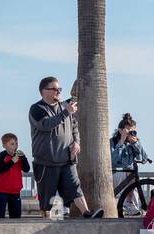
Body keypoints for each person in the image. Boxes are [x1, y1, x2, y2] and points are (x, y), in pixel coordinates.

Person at [29, 76, 103, 219]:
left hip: (67, 160)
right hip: (46, 162)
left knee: (75, 189)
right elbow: (46, 125)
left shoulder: (65, 107)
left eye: (59, 89)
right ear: (44, 91)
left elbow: (74, 128)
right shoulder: (37, 109)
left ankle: (87, 213)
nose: (58, 92)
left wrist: (77, 143)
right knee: (47, 199)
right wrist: (65, 113)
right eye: (54, 89)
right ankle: (46, 221)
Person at [110, 114, 149, 197]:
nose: (131, 134)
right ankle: (128, 204)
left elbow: (143, 159)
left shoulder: (135, 142)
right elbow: (112, 161)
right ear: (120, 130)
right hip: (115, 174)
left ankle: (132, 206)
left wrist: (135, 144)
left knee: (132, 175)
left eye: (133, 131)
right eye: (128, 131)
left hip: (130, 174)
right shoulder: (112, 142)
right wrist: (121, 141)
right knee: (131, 175)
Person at [0, 133, 30, 218]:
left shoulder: (19, 156)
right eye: (12, 144)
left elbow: (26, 169)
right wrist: (12, 162)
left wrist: (24, 157)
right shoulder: (2, 155)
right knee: (0, 214)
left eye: (16, 143)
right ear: (4, 145)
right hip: (3, 190)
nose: (15, 146)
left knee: (16, 215)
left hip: (15, 191)